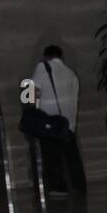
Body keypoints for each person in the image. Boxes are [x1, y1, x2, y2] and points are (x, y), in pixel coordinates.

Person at [32, 45, 86, 195]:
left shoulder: (42, 67)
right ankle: (79, 187)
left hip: (50, 122)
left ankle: (58, 188)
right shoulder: (71, 74)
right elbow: (75, 100)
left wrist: (29, 107)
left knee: (52, 157)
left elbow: (32, 90)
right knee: (72, 158)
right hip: (68, 123)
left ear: (46, 56)